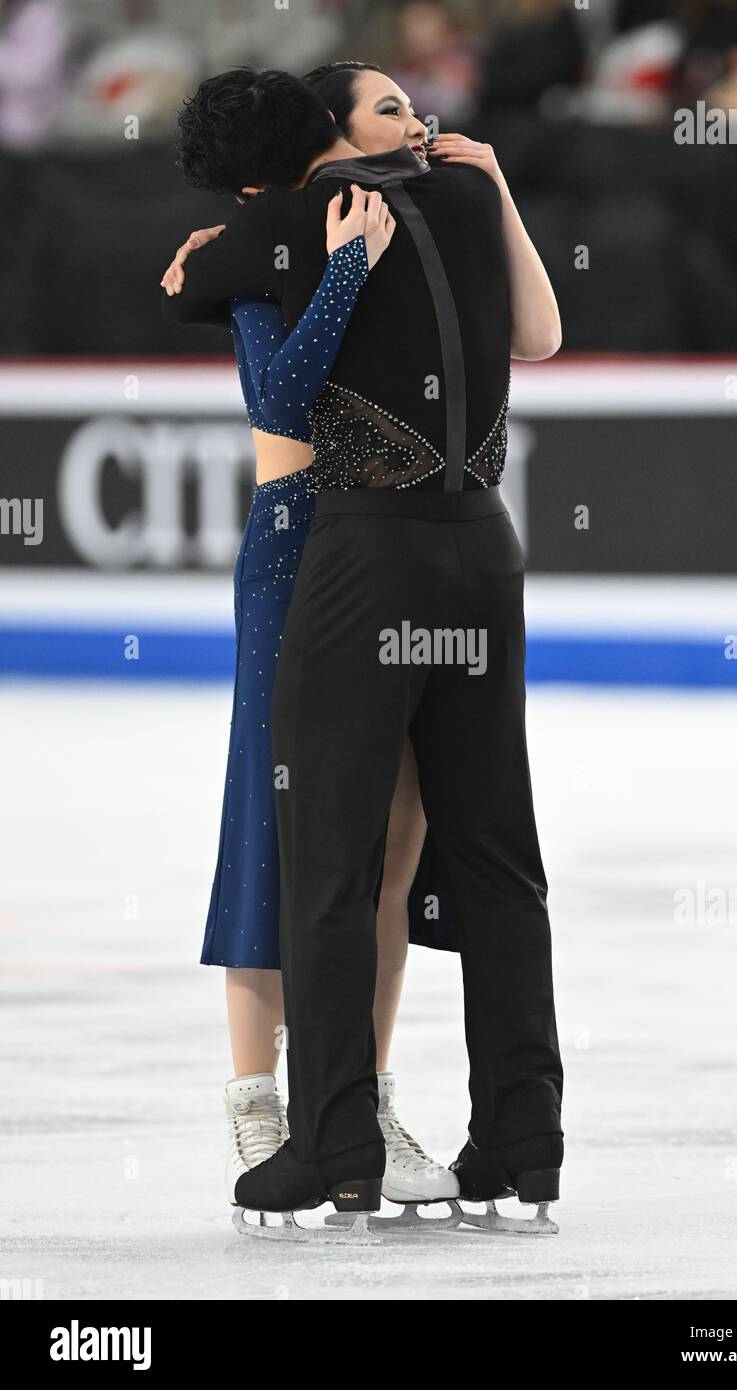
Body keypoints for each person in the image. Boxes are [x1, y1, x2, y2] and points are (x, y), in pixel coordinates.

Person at [164, 64, 564, 1237]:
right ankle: (330, 1109)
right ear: (318, 141)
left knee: (366, 858)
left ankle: (349, 1123)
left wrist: (234, 252)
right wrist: (278, 249)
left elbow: (193, 278)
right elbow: (266, 368)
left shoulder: (327, 221)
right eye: (391, 109)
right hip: (390, 549)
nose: (422, 125)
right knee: (332, 840)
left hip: (368, 546)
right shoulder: (303, 225)